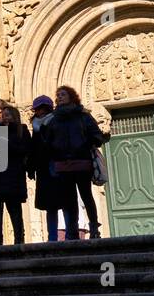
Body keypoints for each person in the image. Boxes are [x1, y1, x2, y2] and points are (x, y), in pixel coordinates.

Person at [36, 85, 108, 241]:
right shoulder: (54, 119)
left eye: (63, 94)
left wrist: (84, 144)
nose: (60, 97)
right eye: (58, 95)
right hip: (63, 165)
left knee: (86, 195)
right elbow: (47, 141)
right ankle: (72, 231)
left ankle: (94, 227)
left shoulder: (83, 116)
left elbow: (97, 136)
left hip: (82, 162)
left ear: (71, 96)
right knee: (69, 200)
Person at [0, 105, 31, 245]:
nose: (3, 117)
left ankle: (19, 240)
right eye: (2, 115)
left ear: (14, 116)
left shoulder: (21, 130)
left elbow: (25, 150)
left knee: (14, 210)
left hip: (13, 176)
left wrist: (5, 143)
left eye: (7, 115)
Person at [27, 95, 63, 241]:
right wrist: (31, 167)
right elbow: (33, 148)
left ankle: (71, 232)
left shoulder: (56, 121)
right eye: (36, 109)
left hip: (58, 166)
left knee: (66, 202)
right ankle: (52, 236)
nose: (39, 112)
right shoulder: (36, 126)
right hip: (43, 169)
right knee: (50, 206)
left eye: (41, 108)